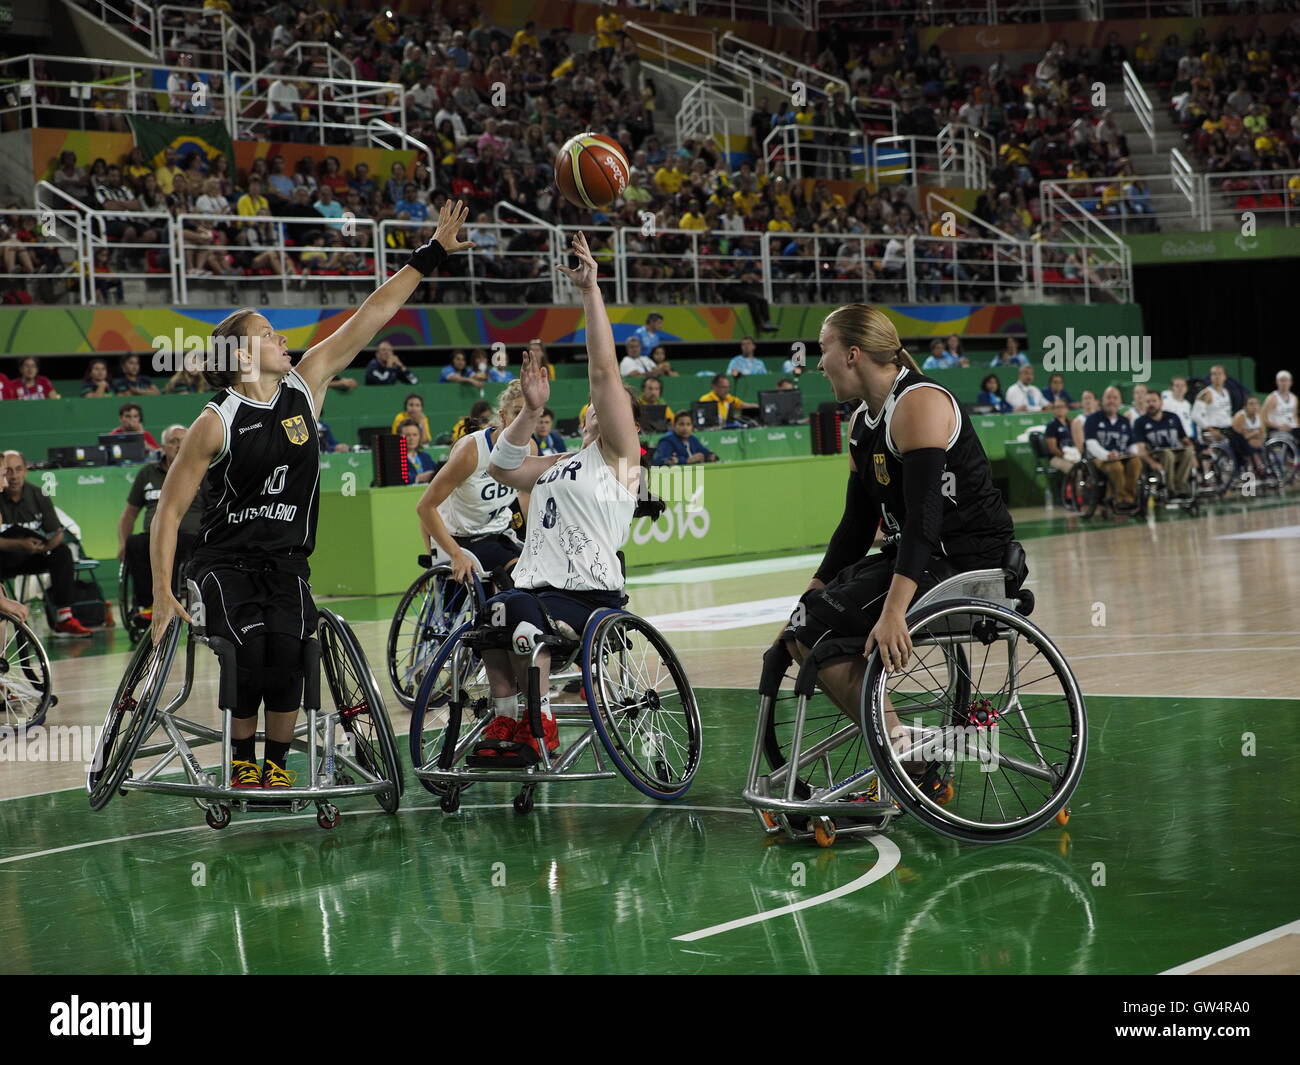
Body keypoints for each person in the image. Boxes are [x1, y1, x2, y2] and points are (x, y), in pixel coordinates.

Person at [148, 199, 474, 790]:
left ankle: (275, 766)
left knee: (295, 650)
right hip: (224, 561)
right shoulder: (216, 421)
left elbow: (370, 317)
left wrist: (429, 254)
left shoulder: (304, 387)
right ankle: (241, 758)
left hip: (287, 560)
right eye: (268, 335)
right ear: (243, 356)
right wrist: (161, 593)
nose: (282, 339)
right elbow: (169, 511)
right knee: (249, 649)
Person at [780, 304, 1014, 801]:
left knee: (814, 626)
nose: (818, 363)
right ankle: (905, 747)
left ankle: (904, 753)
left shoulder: (919, 402)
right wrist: (816, 584)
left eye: (824, 350)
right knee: (803, 628)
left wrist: (894, 612)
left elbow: (926, 522)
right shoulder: (863, 423)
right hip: (920, 554)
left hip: (966, 559)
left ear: (853, 353)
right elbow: (856, 525)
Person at [477, 233, 646, 762]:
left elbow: (603, 372)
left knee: (521, 614)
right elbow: (503, 467)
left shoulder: (619, 457)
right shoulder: (561, 462)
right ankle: (506, 723)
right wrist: (528, 413)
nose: (599, 406)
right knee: (494, 615)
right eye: (596, 406)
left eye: (611, 405)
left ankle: (539, 722)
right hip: (538, 587)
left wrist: (590, 292)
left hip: (588, 596)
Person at [415, 379, 532, 589]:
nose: (524, 420)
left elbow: (525, 495)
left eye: (530, 413)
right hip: (462, 538)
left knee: (539, 573)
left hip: (500, 534)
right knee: (518, 575)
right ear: (503, 416)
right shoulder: (471, 451)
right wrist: (455, 554)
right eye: (517, 412)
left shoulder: (529, 447)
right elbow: (425, 507)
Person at [0, 451, 93, 637]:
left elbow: (56, 532)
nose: (13, 476)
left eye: (18, 469)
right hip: (5, 557)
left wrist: (45, 547)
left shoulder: (38, 494)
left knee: (62, 552)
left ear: (26, 470)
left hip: (33, 554)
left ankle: (64, 617)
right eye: (7, 471)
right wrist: (19, 544)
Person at [118, 424, 205, 623]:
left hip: (190, 536)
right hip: (154, 537)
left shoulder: (201, 470)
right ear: (163, 446)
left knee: (175, 543)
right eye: (173, 442)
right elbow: (129, 514)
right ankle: (149, 605)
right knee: (135, 543)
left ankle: (171, 602)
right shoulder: (147, 473)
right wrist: (122, 543)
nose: (178, 446)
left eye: (183, 442)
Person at [1084, 386, 1141, 512]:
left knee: (1136, 462)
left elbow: (1132, 443)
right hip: (1098, 458)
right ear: (1102, 400)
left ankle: (1130, 498)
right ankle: (1120, 499)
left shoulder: (1124, 421)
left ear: (1120, 402)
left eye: (1115, 398)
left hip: (1120, 456)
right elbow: (1091, 443)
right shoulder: (1093, 419)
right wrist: (1106, 455)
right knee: (1116, 467)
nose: (1112, 401)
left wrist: (1132, 451)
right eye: (1108, 398)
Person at [1133, 390, 1194, 498]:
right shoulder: (1140, 422)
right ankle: (1170, 489)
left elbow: (1185, 440)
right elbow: (1141, 449)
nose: (1151, 404)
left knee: (1188, 452)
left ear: (1161, 402)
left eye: (1154, 401)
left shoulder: (1173, 417)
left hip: (1176, 452)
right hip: (1156, 454)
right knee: (1167, 453)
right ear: (1144, 404)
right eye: (1148, 402)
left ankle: (1180, 487)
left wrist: (1194, 456)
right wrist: (1152, 463)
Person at [654, 411, 719, 466]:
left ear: (692, 427)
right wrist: (686, 461)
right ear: (673, 426)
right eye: (681, 424)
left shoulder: (692, 439)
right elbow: (660, 461)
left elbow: (705, 452)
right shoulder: (667, 441)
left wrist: (711, 456)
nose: (685, 428)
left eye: (688, 424)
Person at [1042, 398, 1079, 477]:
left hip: (1074, 455)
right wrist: (1067, 457)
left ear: (1067, 409)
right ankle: (1076, 489)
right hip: (1056, 458)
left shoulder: (1071, 423)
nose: (1059, 409)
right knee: (1076, 471)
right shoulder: (1051, 425)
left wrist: (1075, 456)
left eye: (1062, 406)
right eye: (1057, 407)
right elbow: (1053, 449)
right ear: (1054, 410)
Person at [1262, 370, 1298, 445]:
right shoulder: (1272, 398)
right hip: (1277, 430)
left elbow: (1294, 417)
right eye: (1281, 380)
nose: (1284, 383)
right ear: (1277, 382)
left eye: (1286, 380)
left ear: (1290, 382)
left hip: (1291, 429)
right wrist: (1278, 426)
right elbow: (1263, 417)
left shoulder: (1294, 398)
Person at [398, 418, 438, 483]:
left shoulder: (426, 457)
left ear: (419, 437)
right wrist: (417, 478)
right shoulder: (394, 460)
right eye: (407, 435)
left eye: (415, 435)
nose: (411, 438)